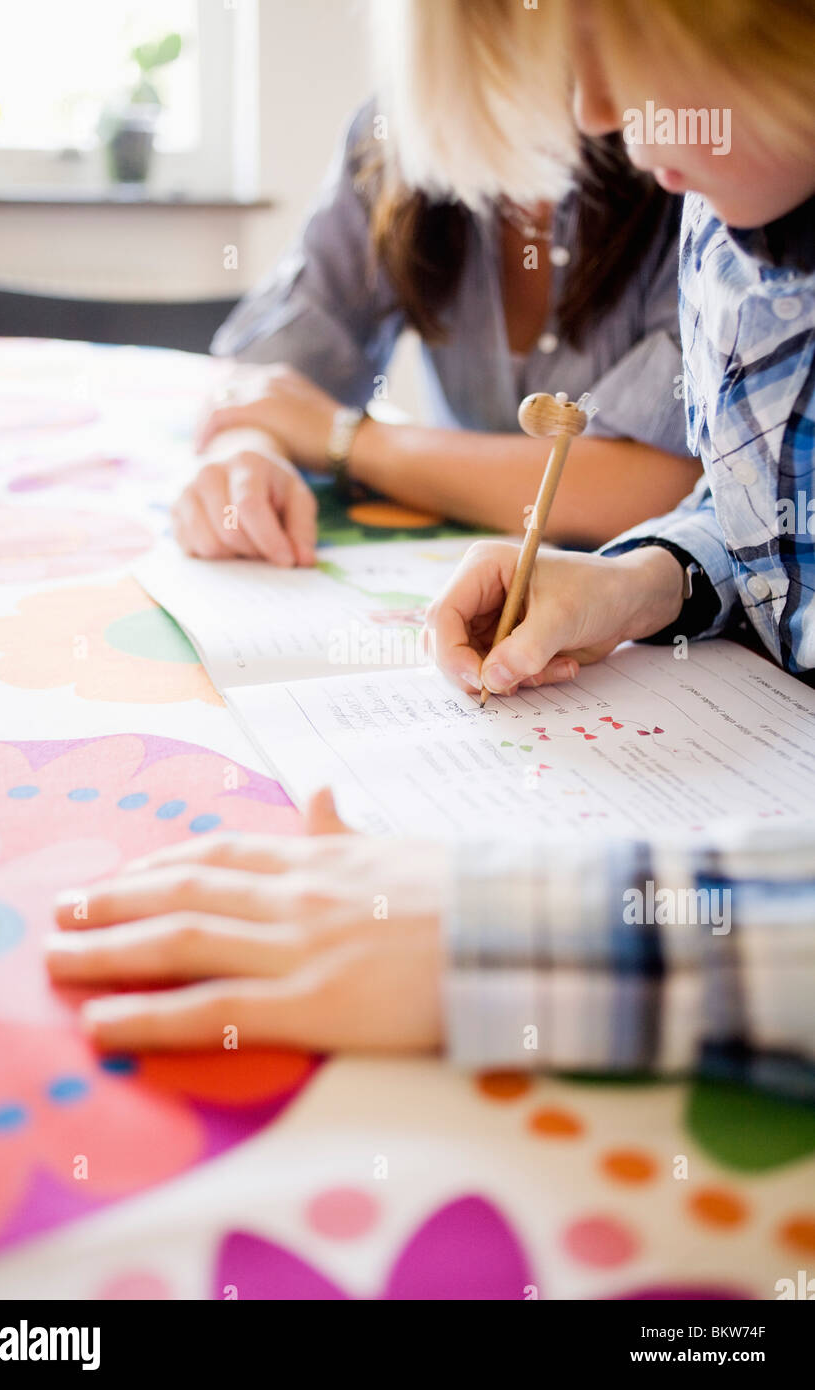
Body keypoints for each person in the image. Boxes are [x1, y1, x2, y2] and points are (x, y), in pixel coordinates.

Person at [47, 0, 815, 1100]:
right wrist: (645, 579)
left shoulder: (690, 178)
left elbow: (651, 466)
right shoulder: (733, 218)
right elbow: (763, 514)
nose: (589, 107)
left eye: (606, 42)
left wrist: (503, 937)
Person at [171, 0, 700, 563]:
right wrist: (250, 449)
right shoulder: (393, 134)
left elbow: (665, 486)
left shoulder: (688, 152)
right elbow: (264, 375)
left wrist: (345, 440)